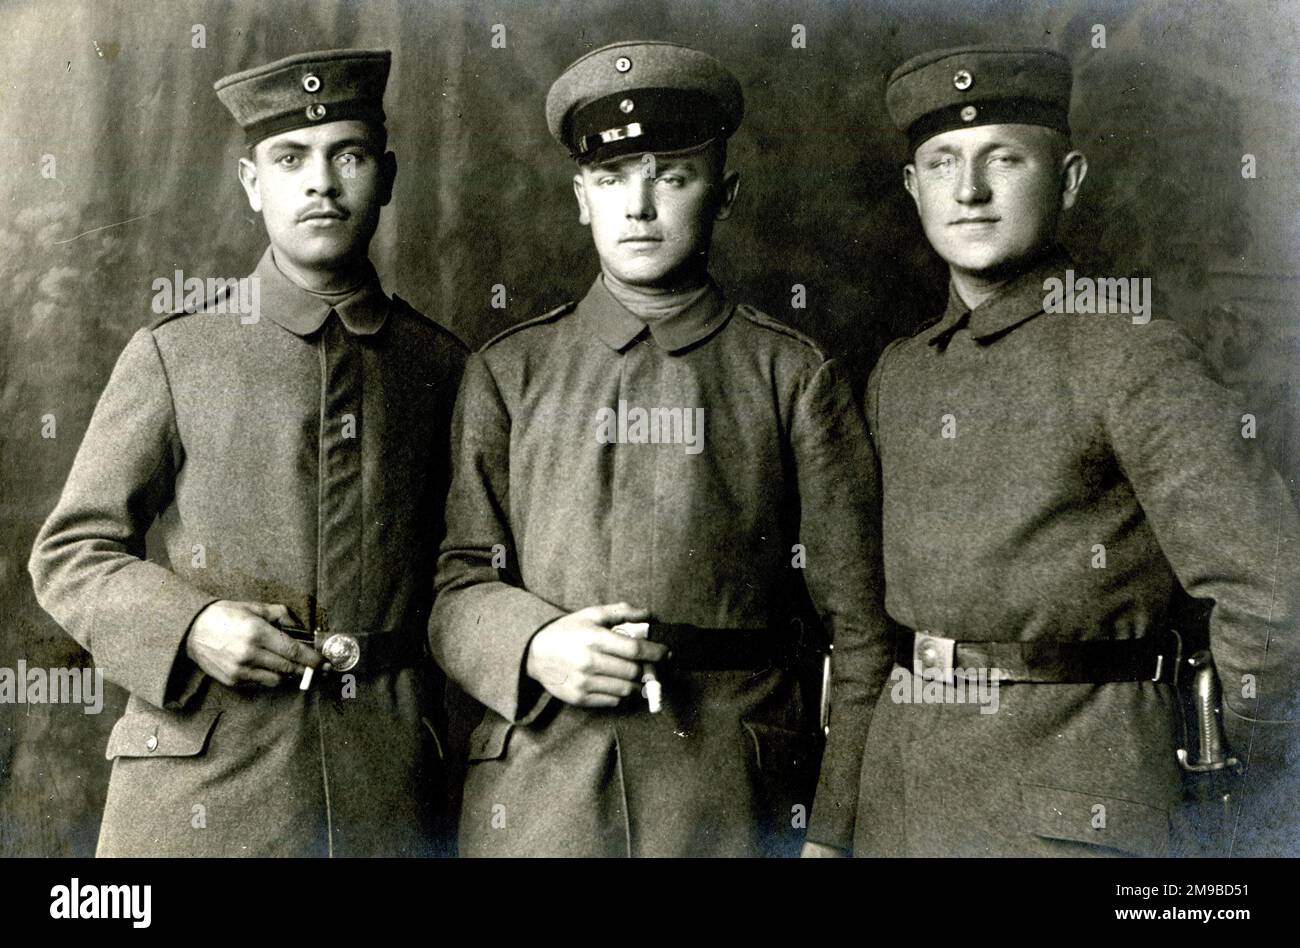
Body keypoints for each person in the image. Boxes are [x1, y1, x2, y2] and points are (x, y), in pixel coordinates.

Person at [430, 40, 892, 857]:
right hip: (542, 798)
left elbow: (857, 631)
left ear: (726, 194)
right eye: (612, 180)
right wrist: (532, 643)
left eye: (671, 177)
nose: (638, 207)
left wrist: (833, 828)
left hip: (733, 801)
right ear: (581, 198)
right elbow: (456, 586)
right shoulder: (509, 372)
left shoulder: (792, 375)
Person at [847, 44, 1300, 856]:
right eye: (943, 163)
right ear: (915, 189)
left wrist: (1250, 773)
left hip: (1074, 814)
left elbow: (1273, 597)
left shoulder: (1131, 353)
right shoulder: (903, 373)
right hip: (903, 807)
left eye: (1005, 159)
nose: (971, 190)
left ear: (1070, 177)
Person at [29, 48, 467, 856]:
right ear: (250, 183)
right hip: (205, 786)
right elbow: (70, 552)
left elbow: (469, 572)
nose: (322, 183)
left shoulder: (442, 367)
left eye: (350, 155)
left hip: (391, 789)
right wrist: (190, 624)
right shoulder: (177, 353)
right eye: (290, 158)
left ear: (389, 174)